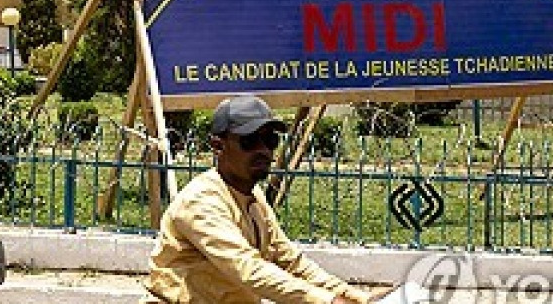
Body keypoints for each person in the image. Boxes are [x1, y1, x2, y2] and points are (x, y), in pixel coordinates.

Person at [142, 95, 381, 304]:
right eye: (249, 141)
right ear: (218, 146)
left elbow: (291, 262)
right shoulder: (201, 202)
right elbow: (248, 269)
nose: (263, 150)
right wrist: (327, 301)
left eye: (270, 141)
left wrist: (356, 297)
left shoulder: (252, 196)